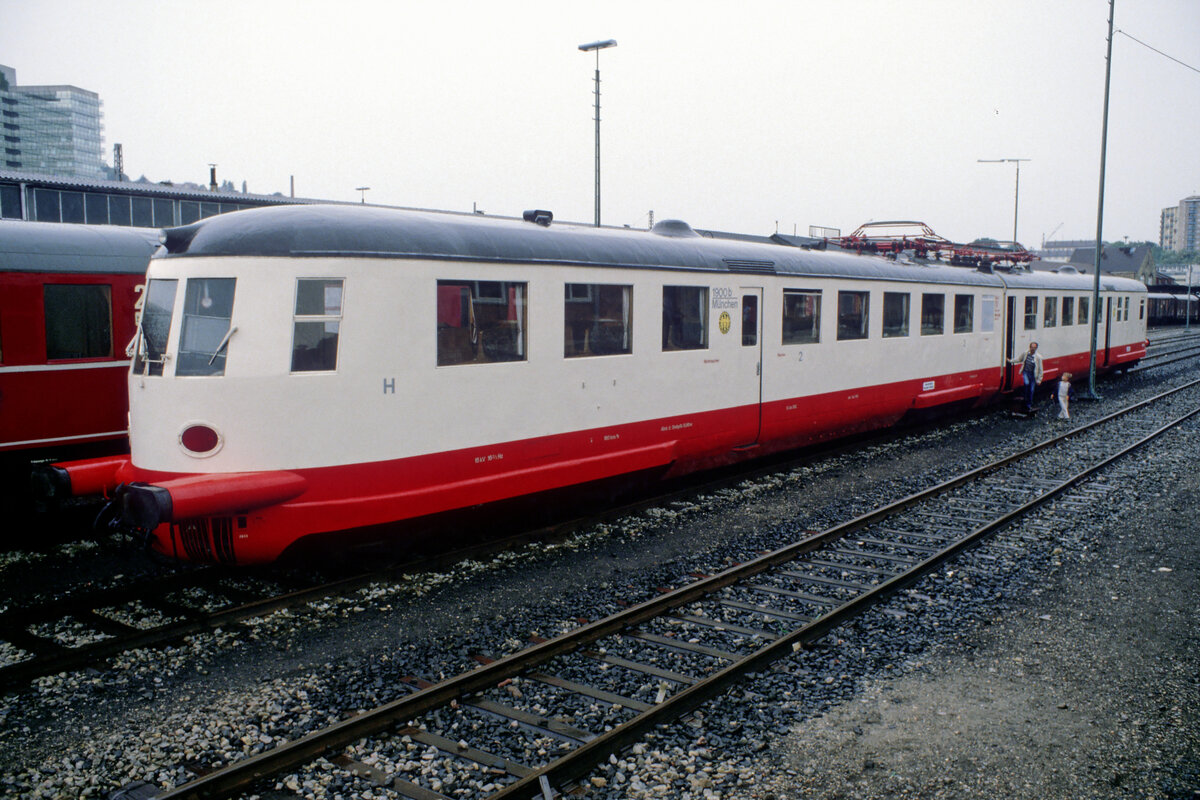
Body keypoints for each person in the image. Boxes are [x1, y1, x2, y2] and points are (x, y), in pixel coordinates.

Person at [1011, 341, 1043, 414]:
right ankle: (1025, 400)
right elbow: (1019, 359)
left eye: (1034, 347)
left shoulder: (1038, 357)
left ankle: (1028, 405)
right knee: (1026, 384)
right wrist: (1011, 361)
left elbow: (1041, 369)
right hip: (1026, 372)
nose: (1032, 349)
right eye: (1031, 347)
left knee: (1031, 390)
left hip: (1033, 374)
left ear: (1036, 348)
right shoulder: (1026, 353)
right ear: (1029, 347)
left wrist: (1039, 379)